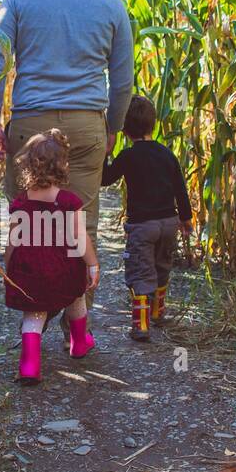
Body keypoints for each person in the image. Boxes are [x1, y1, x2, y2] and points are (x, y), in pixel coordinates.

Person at [0, 0, 134, 335]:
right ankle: (76, 318)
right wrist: (111, 129)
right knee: (79, 222)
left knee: (30, 221)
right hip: (87, 125)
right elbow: (123, 81)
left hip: (30, 126)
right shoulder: (111, 3)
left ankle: (34, 318)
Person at [3, 130, 101, 385]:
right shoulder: (69, 201)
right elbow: (80, 238)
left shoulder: (20, 203)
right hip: (64, 269)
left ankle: (29, 365)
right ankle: (79, 343)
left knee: (33, 315)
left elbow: (13, 240)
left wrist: (7, 265)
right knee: (76, 300)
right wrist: (92, 265)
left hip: (30, 271)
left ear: (27, 166)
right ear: (63, 166)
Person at [101, 96, 193, 341]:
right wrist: (186, 219)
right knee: (162, 266)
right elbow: (180, 189)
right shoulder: (166, 154)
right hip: (168, 223)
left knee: (141, 271)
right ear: (152, 125)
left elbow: (105, 179)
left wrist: (105, 154)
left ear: (124, 128)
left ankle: (140, 325)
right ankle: (158, 312)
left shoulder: (128, 156)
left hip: (143, 226)